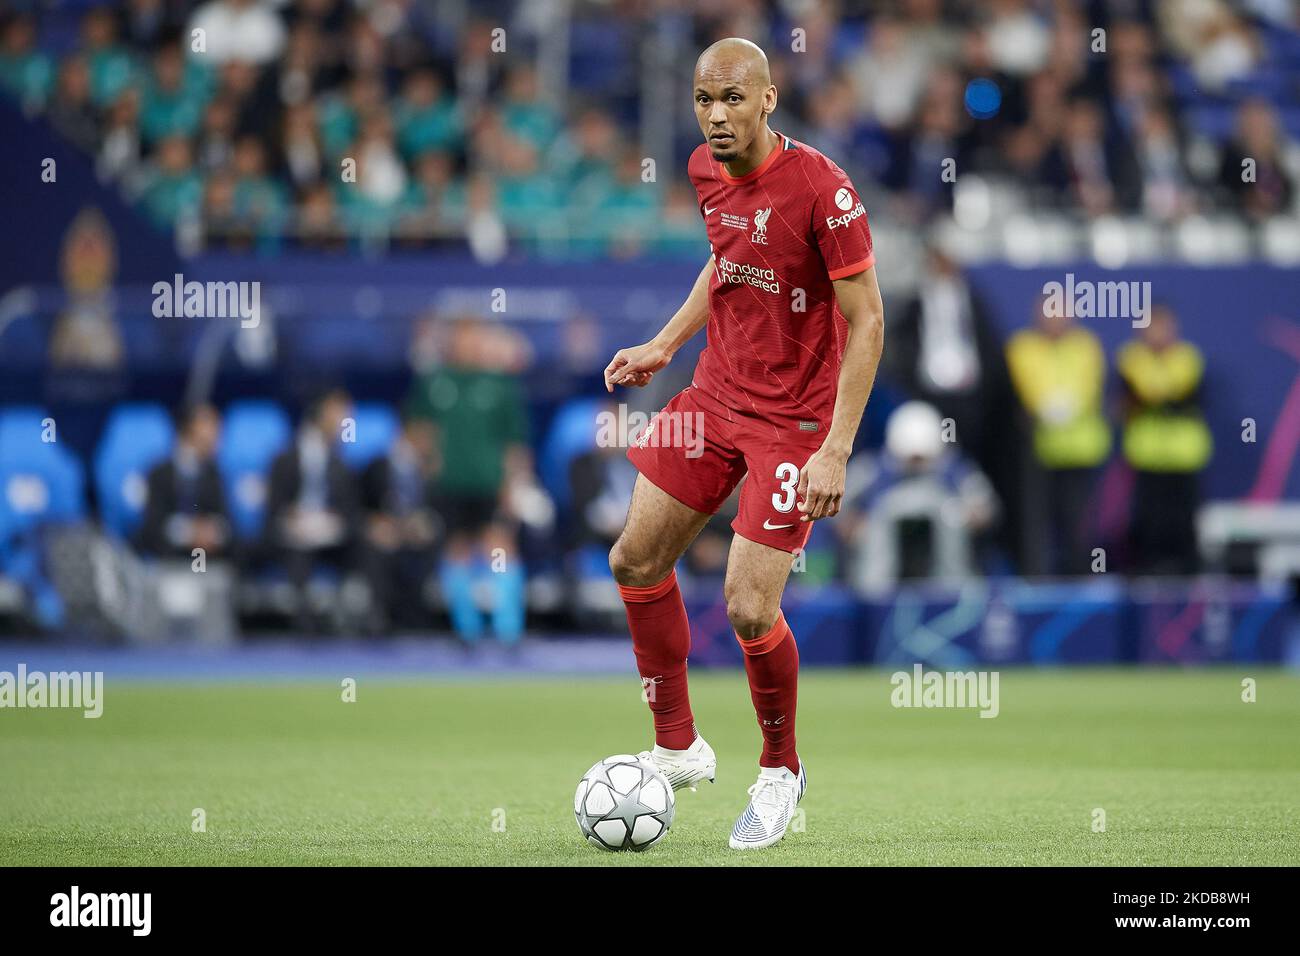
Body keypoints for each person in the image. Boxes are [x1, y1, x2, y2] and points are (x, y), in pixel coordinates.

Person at [602, 39, 885, 850]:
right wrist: (663, 344)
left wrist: (835, 448)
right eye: (702, 100)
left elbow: (868, 321)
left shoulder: (825, 193)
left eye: (731, 99)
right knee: (633, 560)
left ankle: (780, 770)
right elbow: (727, 262)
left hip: (795, 423)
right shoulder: (701, 171)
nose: (716, 116)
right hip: (714, 397)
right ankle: (678, 746)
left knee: (749, 606)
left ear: (768, 98)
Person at [1006, 297, 1111, 575]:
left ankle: (1081, 580)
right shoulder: (1023, 346)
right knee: (1035, 522)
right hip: (1038, 451)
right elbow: (1024, 382)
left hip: (1080, 451)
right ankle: (1036, 580)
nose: (1054, 320)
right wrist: (1043, 405)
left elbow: (1089, 384)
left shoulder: (1086, 345)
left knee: (1079, 523)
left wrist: (1068, 406)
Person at [1116, 306, 1211, 574]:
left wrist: (1155, 398)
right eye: (1151, 326)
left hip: (1184, 455)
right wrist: (1159, 398)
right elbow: (1140, 396)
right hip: (1147, 454)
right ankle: (1148, 576)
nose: (1157, 333)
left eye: (1162, 326)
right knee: (1148, 522)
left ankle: (1189, 578)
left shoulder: (1188, 357)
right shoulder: (1131, 357)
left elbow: (1175, 395)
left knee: (1184, 522)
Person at [264, 389, 362, 632]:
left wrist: (333, 521)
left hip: (330, 537)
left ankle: (362, 619)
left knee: (365, 544)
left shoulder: (341, 464)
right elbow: (273, 509)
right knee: (298, 552)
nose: (346, 421)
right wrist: (293, 519)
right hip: (293, 536)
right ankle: (304, 624)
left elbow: (350, 511)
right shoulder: (285, 459)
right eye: (340, 414)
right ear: (321, 413)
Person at [360, 414, 441, 630]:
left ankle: (414, 615)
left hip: (414, 532)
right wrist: (376, 522)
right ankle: (379, 616)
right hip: (383, 531)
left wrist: (420, 523)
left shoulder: (428, 471)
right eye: (424, 436)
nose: (428, 443)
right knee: (377, 545)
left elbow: (433, 509)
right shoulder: (377, 466)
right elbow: (361, 503)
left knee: (429, 539)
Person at [136, 403, 230, 560]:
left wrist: (213, 532)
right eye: (210, 427)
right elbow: (151, 528)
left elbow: (226, 521)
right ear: (189, 430)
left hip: (204, 562)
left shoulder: (214, 474)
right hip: (166, 562)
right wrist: (188, 533)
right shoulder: (160, 474)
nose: (216, 436)